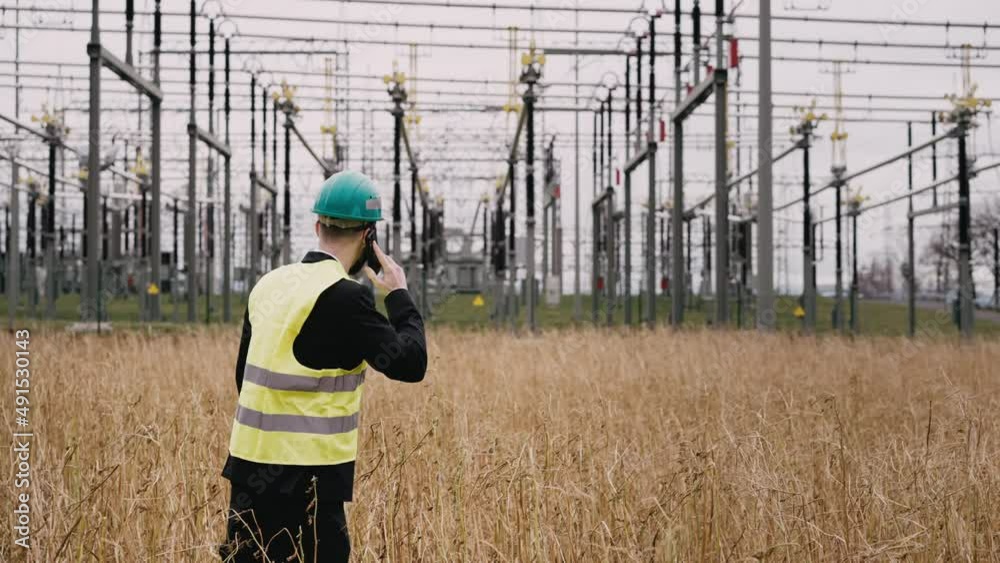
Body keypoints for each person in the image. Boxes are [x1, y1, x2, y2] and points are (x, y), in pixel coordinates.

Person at [219, 170, 427, 562]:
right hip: (309, 482)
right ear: (369, 237)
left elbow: (243, 378)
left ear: (317, 225)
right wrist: (398, 294)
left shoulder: (268, 285)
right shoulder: (346, 298)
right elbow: (411, 363)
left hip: (248, 474)